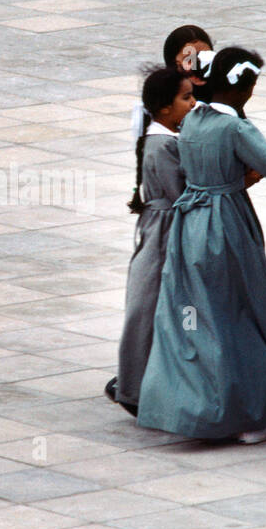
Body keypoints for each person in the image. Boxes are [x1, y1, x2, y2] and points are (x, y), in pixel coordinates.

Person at [138, 47, 266, 441]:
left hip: (190, 224)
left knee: (203, 317)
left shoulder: (192, 123)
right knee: (247, 310)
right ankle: (250, 414)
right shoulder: (237, 129)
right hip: (227, 223)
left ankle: (198, 407)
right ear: (242, 88)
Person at [107, 68, 195, 416]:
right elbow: (181, 194)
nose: (193, 103)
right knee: (147, 308)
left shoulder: (161, 138)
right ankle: (133, 386)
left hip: (159, 227)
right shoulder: (164, 145)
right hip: (164, 233)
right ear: (162, 109)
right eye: (186, 98)